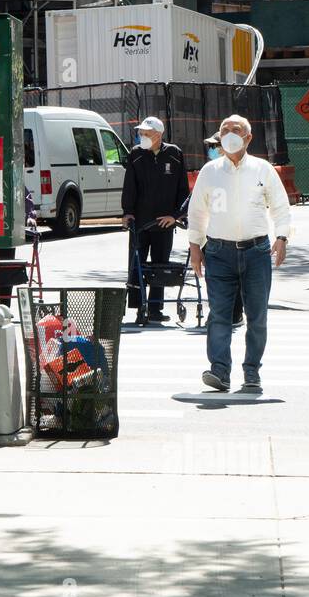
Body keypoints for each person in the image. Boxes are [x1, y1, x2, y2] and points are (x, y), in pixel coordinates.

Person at [187, 115, 292, 394]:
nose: (230, 133)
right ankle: (219, 371)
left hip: (256, 252)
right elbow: (197, 211)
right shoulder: (210, 171)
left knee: (256, 317)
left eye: (236, 130)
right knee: (219, 316)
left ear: (248, 138)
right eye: (224, 129)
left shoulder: (262, 169)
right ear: (218, 137)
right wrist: (195, 246)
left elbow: (280, 206)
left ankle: (252, 372)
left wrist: (281, 236)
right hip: (219, 252)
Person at [121, 116, 189, 323]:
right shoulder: (136, 154)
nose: (142, 137)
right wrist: (127, 212)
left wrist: (176, 215)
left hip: (165, 222)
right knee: (136, 263)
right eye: (141, 133)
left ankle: (155, 309)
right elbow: (129, 185)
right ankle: (137, 306)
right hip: (140, 222)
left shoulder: (174, 154)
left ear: (158, 135)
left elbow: (182, 189)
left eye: (146, 134)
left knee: (160, 265)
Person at [200, 131, 243, 327]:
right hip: (211, 233)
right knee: (216, 278)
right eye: (210, 147)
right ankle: (222, 313)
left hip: (231, 233)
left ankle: (233, 314)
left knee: (229, 278)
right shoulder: (211, 170)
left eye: (214, 146)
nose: (211, 150)